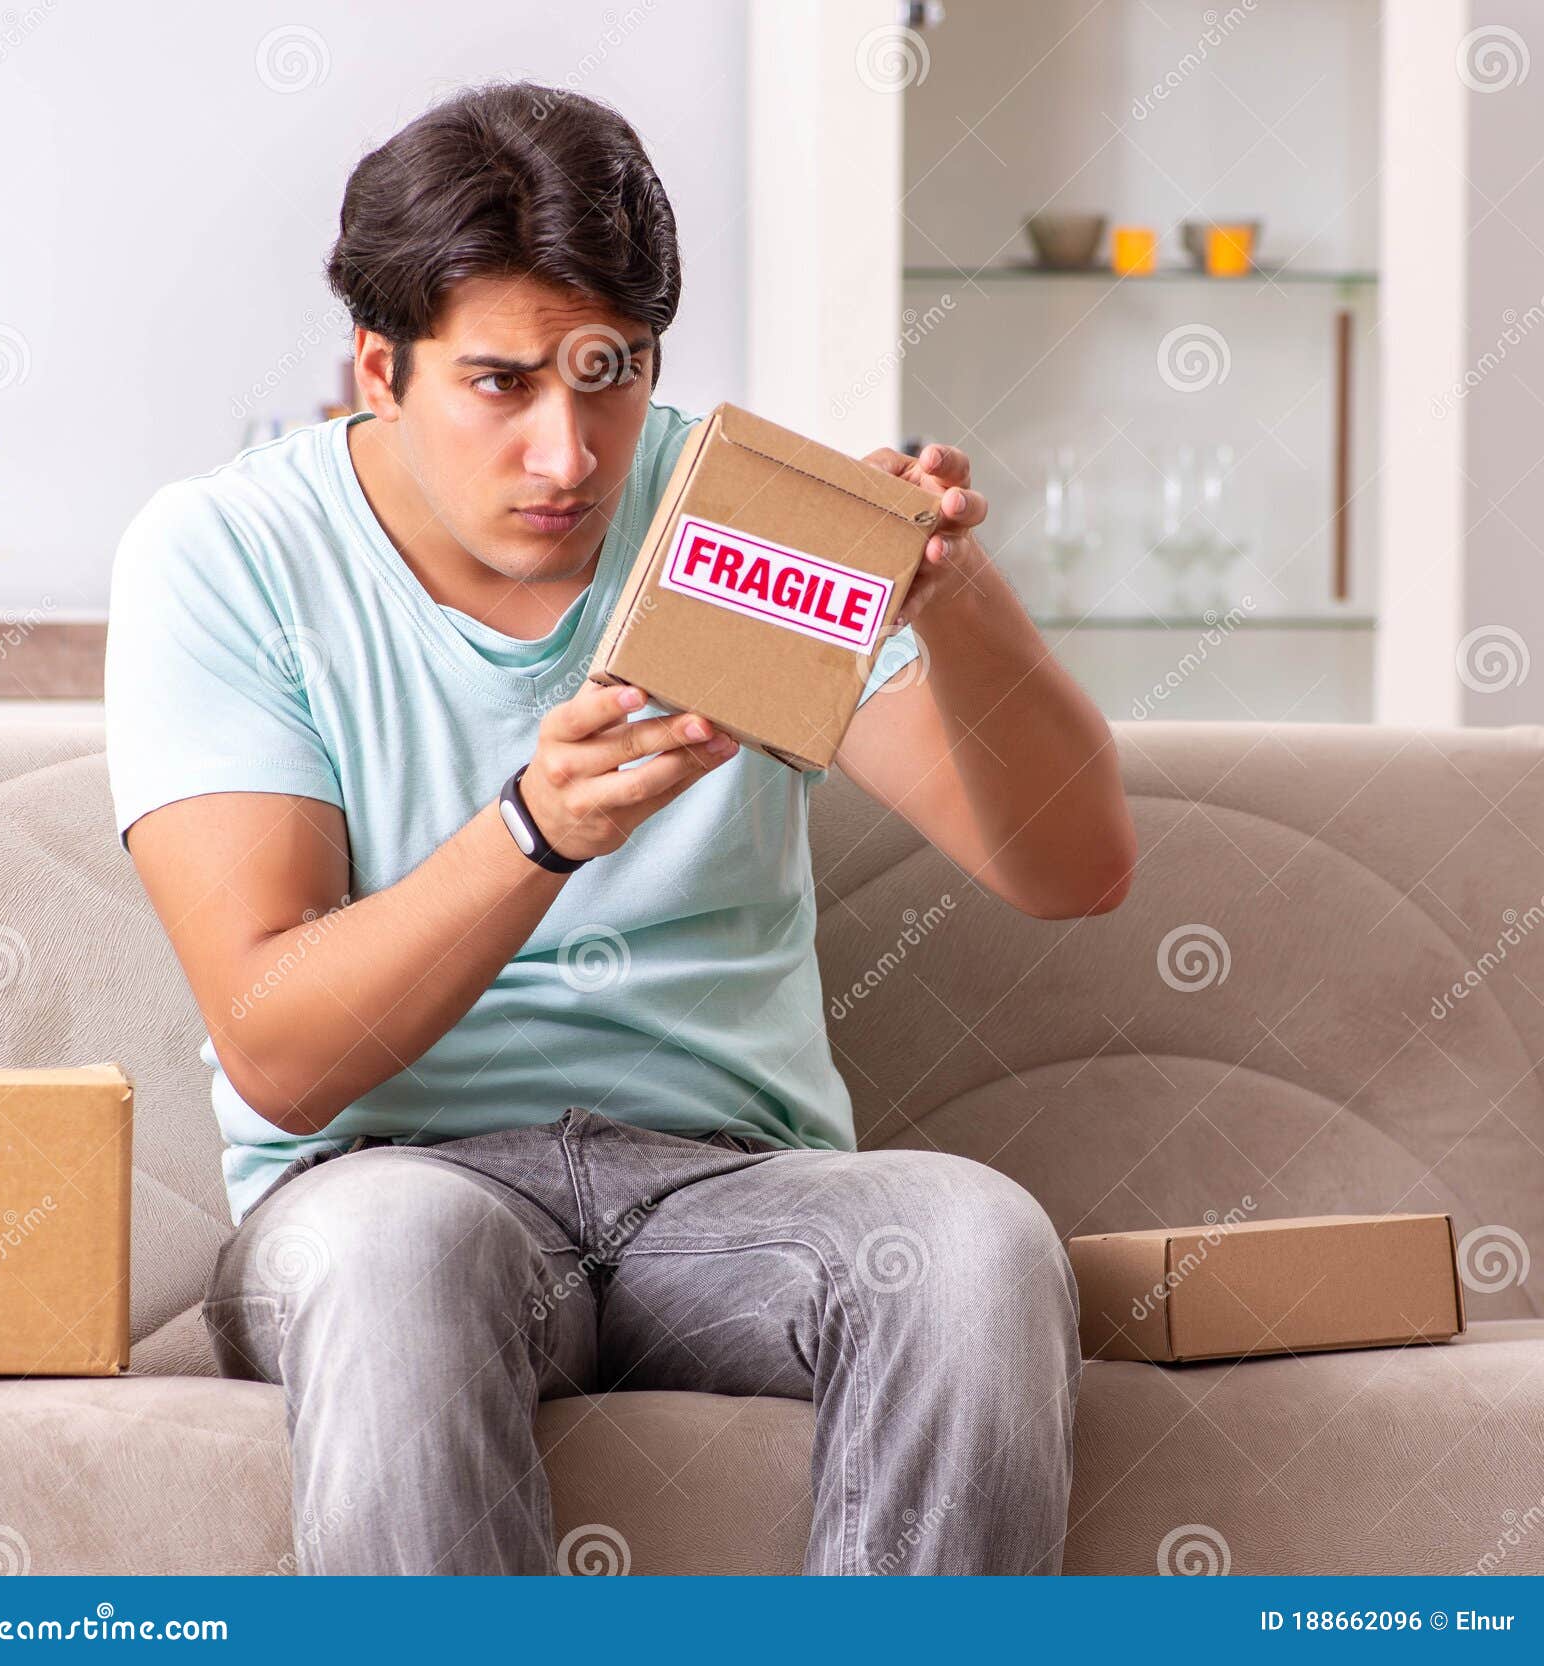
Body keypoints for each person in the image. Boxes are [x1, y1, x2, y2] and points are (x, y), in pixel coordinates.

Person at [103, 79, 1136, 1576]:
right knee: (403, 1254)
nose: (570, 454)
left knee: (974, 1242)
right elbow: (280, 1040)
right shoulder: (231, 556)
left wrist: (958, 607)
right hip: (380, 1187)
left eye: (611, 375)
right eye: (501, 383)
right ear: (377, 369)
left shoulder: (733, 517)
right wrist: (531, 835)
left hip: (728, 1184)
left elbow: (1073, 865)